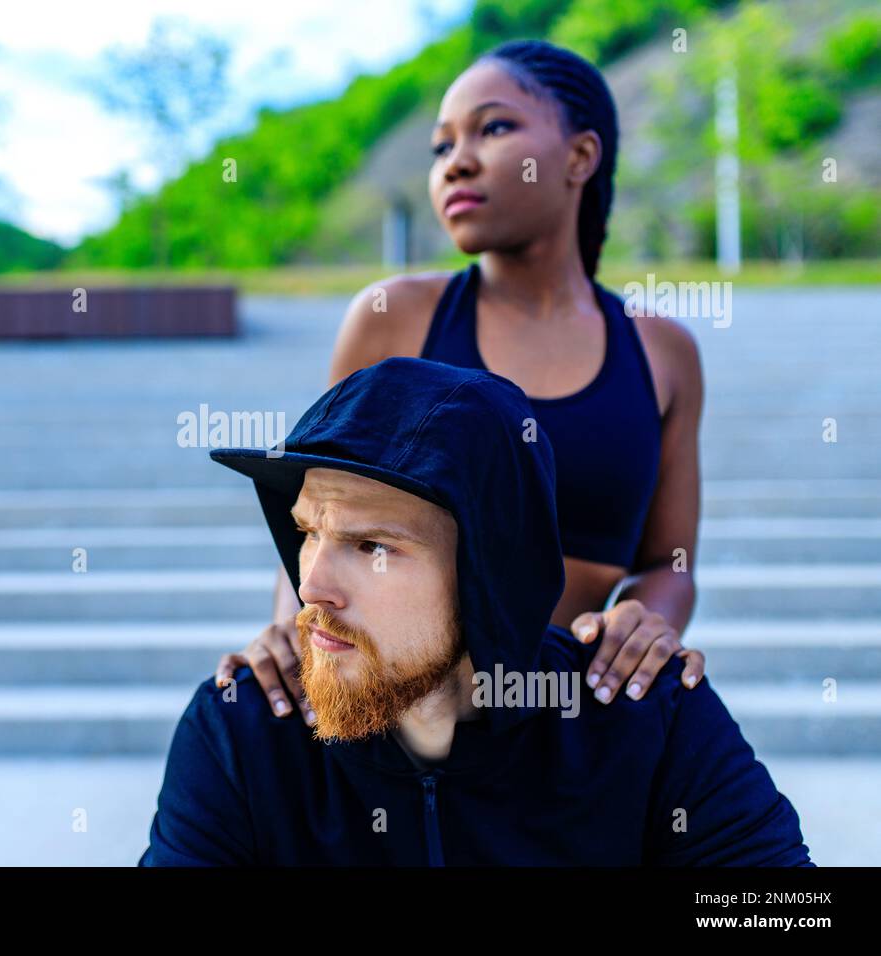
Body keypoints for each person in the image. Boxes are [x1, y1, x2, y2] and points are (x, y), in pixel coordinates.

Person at [139, 358, 810, 866]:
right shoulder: (247, 728)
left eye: (372, 545)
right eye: (309, 532)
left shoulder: (642, 714)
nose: (311, 585)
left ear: (490, 570)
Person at [215, 39, 706, 724]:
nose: (457, 162)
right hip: (400, 719)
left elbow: (670, 561)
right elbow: (323, 514)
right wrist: (295, 642)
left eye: (495, 128)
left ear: (580, 157)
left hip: (572, 724)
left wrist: (647, 623)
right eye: (440, 148)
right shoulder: (394, 318)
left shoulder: (661, 351)